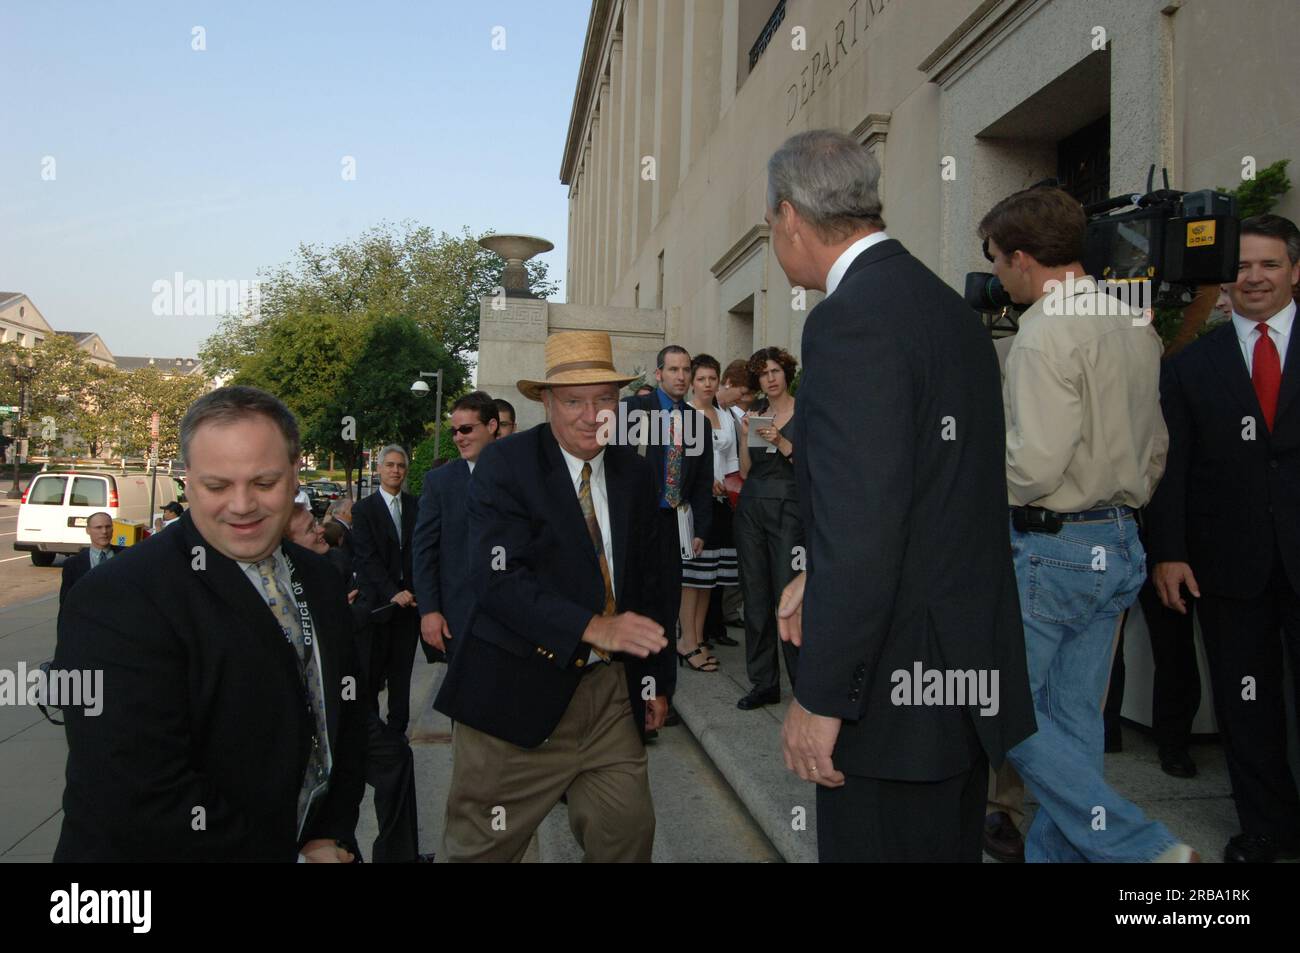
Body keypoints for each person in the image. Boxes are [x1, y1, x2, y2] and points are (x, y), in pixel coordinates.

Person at [768, 129, 1035, 862]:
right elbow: (923, 492)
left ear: (789, 216)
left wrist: (821, 697)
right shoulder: (950, 310)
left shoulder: (849, 320)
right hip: (956, 684)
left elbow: (864, 528)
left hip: (890, 704)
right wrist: (813, 571)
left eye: (770, 227)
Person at [52, 385, 365, 861]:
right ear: (187, 479)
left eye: (264, 483)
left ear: (296, 472)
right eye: (217, 486)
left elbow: (343, 721)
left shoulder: (321, 578)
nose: (242, 505)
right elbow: (137, 791)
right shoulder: (116, 598)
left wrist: (331, 832)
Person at [980, 184, 1197, 863]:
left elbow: (1035, 464)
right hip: (1120, 539)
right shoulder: (1133, 323)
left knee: (1000, 707)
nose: (993, 275)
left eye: (994, 260)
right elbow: (1158, 444)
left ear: (1022, 258)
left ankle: (1144, 847)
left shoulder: (1043, 332)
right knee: (1073, 725)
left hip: (1054, 544)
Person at [436, 330, 672, 862]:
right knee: (481, 850)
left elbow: (653, 586)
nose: (593, 416)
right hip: (515, 698)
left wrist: (656, 681)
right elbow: (497, 579)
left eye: (605, 399)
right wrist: (593, 626)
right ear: (546, 402)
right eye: (573, 401)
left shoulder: (634, 473)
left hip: (610, 696)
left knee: (627, 835)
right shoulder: (507, 465)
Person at [1146, 214, 1300, 864]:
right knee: (1249, 704)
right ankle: (1267, 829)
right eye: (1241, 266)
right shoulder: (1191, 364)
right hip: (1227, 568)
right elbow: (1171, 466)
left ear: (1294, 270)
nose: (1254, 276)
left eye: (1268, 264)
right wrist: (1171, 552)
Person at [620, 346, 714, 672]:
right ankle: (634, 679)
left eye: (686, 370)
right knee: (634, 600)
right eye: (673, 370)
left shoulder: (698, 424)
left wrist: (701, 529)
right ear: (659, 374)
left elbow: (702, 481)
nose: (681, 376)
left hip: (675, 524)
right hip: (636, 523)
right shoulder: (633, 410)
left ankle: (662, 684)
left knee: (667, 603)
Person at [733, 347, 802, 707]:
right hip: (752, 509)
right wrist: (746, 436)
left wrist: (782, 441)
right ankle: (763, 683)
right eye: (763, 374)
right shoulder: (756, 413)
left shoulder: (805, 412)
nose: (770, 378)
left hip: (790, 510)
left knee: (787, 598)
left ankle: (804, 684)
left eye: (775, 371)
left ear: (786, 374)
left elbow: (812, 466)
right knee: (755, 596)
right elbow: (745, 471)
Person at [413, 391, 499, 660]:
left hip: (514, 619)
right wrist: (429, 611)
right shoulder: (439, 482)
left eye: (466, 429)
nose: (458, 437)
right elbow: (424, 550)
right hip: (460, 619)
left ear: (492, 426)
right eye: (454, 431)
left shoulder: (521, 476)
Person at [351, 445, 420, 734]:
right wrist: (393, 591)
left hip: (410, 607)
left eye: (400, 465)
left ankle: (397, 733)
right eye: (390, 465)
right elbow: (367, 559)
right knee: (372, 674)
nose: (395, 470)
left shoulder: (417, 506)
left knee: (401, 675)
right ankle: (372, 734)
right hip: (378, 606)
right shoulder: (363, 510)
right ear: (378, 469)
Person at [677, 354, 739, 671]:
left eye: (712, 378)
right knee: (692, 579)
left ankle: (698, 638)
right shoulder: (683, 414)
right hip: (692, 506)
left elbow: (730, 461)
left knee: (708, 579)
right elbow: (680, 464)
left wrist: (726, 485)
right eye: (700, 378)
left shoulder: (724, 415)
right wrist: (704, 483)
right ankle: (686, 641)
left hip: (719, 504)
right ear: (692, 382)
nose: (707, 384)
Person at [58, 511, 122, 619]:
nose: (104, 531)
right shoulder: (73, 564)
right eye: (98, 527)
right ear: (88, 530)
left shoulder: (125, 556)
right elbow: (66, 603)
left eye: (108, 527)